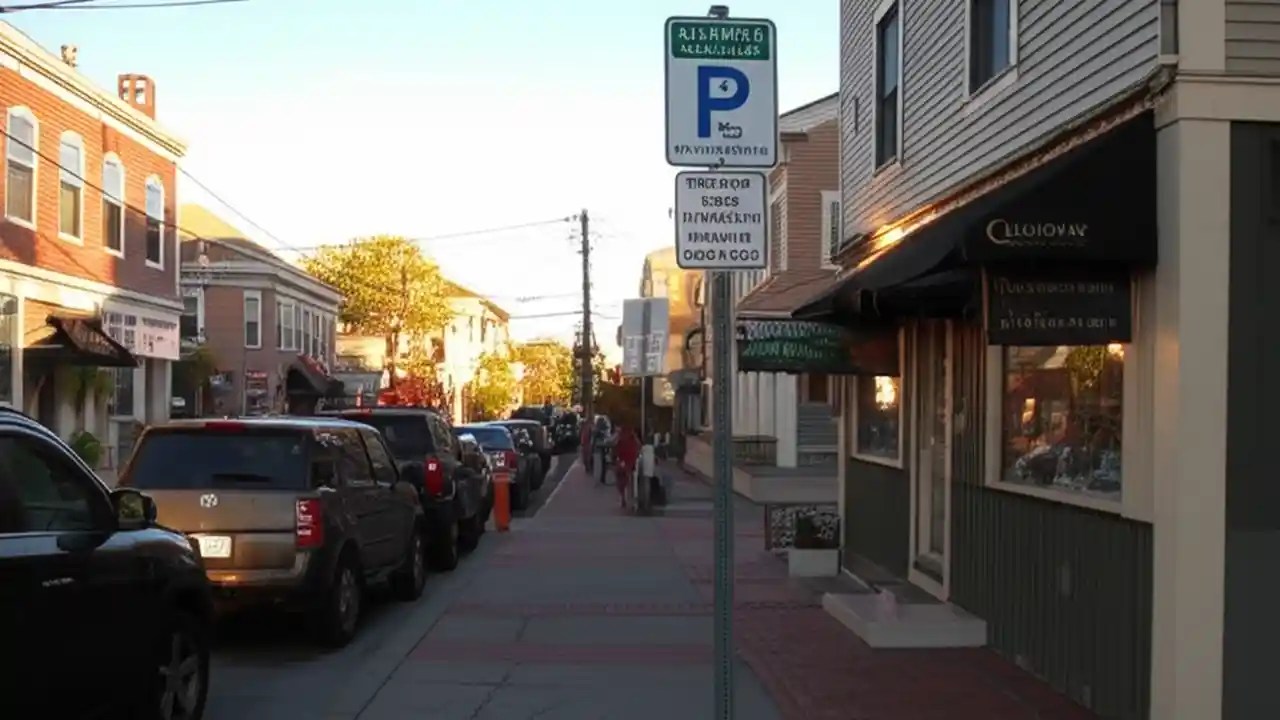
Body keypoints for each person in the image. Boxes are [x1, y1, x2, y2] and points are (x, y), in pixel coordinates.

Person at [612, 422, 641, 509]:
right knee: (629, 478)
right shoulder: (633, 438)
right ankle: (628, 497)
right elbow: (639, 447)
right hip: (631, 461)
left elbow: (614, 448)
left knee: (620, 477)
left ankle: (623, 497)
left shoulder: (620, 437)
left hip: (623, 461)